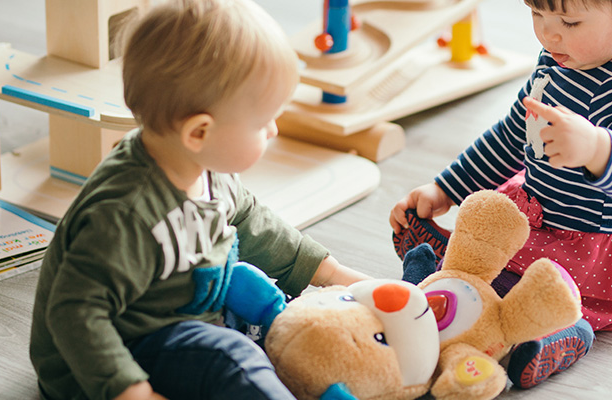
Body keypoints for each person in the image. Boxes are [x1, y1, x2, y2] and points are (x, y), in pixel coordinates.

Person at [29, 1, 372, 399]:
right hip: (108, 364)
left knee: (286, 322)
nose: (274, 130)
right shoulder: (125, 214)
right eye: (262, 123)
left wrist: (334, 274)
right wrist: (131, 391)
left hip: (184, 318)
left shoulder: (204, 167)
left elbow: (251, 219)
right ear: (198, 132)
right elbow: (75, 312)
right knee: (236, 360)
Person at [390, 0, 612, 389]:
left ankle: (557, 336)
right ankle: (457, 263)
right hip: (544, 211)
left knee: (540, 293)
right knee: (491, 219)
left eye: (569, 21)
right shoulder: (560, 57)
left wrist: (597, 149)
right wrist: (447, 187)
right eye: (537, 15)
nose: (549, 33)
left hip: (595, 247)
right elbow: (514, 134)